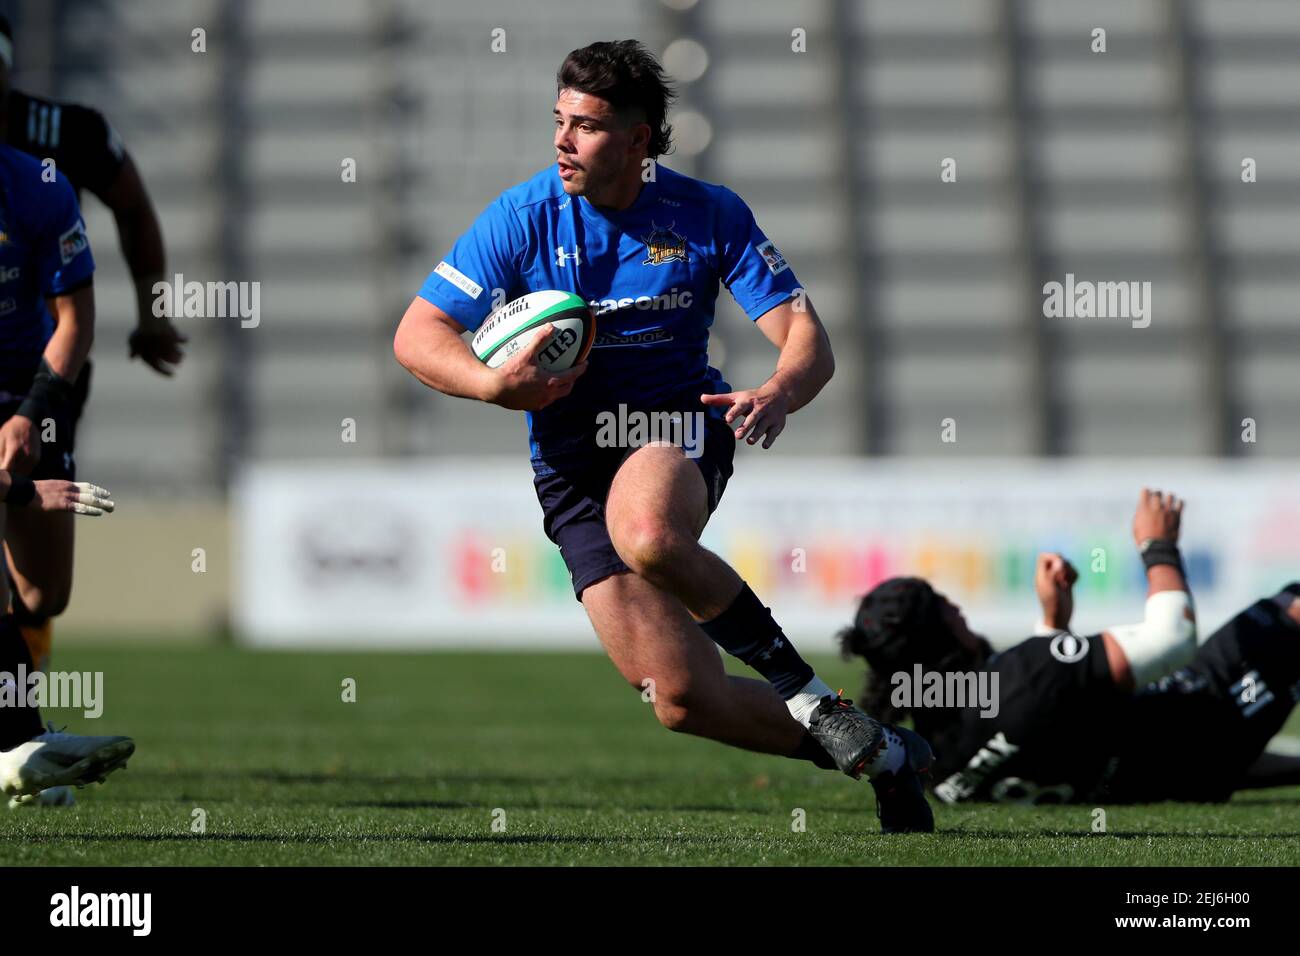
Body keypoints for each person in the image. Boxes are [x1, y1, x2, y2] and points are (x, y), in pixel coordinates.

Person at [394, 40, 933, 832]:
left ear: (639, 139)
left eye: (586, 125)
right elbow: (418, 333)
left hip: (671, 425)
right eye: (559, 121)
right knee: (681, 700)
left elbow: (806, 338)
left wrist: (780, 391)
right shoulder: (520, 217)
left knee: (645, 532)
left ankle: (810, 694)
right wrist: (490, 383)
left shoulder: (709, 212)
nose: (562, 140)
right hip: (571, 467)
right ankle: (886, 754)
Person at [840, 488, 1300, 803]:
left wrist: (1054, 627)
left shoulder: (929, 760)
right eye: (945, 605)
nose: (959, 608)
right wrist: (1158, 545)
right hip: (1203, 718)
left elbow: (1034, 717)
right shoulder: (1022, 675)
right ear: (941, 631)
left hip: (1167, 777)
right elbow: (1171, 640)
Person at [0, 14, 184, 681]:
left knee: (45, 593)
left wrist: (153, 313)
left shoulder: (65, 134)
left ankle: (21, 715)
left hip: (45, 368)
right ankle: (20, 730)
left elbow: (131, 205)